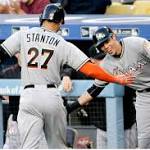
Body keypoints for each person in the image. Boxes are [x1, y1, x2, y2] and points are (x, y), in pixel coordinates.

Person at [0, 3, 134, 148]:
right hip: (51, 95)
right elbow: (90, 70)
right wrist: (115, 78)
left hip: (28, 96)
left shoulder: (22, 34)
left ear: (42, 19)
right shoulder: (62, 43)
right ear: (60, 22)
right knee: (57, 146)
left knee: (29, 147)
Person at [66, 25, 150, 148]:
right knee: (144, 142)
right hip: (144, 96)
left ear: (114, 36)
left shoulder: (134, 43)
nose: (105, 47)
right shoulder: (106, 65)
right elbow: (93, 91)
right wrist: (69, 108)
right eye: (101, 45)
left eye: (106, 41)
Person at [61, 47, 137, 148]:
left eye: (105, 58)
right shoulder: (89, 72)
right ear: (91, 60)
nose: (103, 62)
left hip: (125, 127)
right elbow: (70, 69)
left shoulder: (119, 68)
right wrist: (66, 76)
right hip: (101, 128)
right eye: (99, 59)